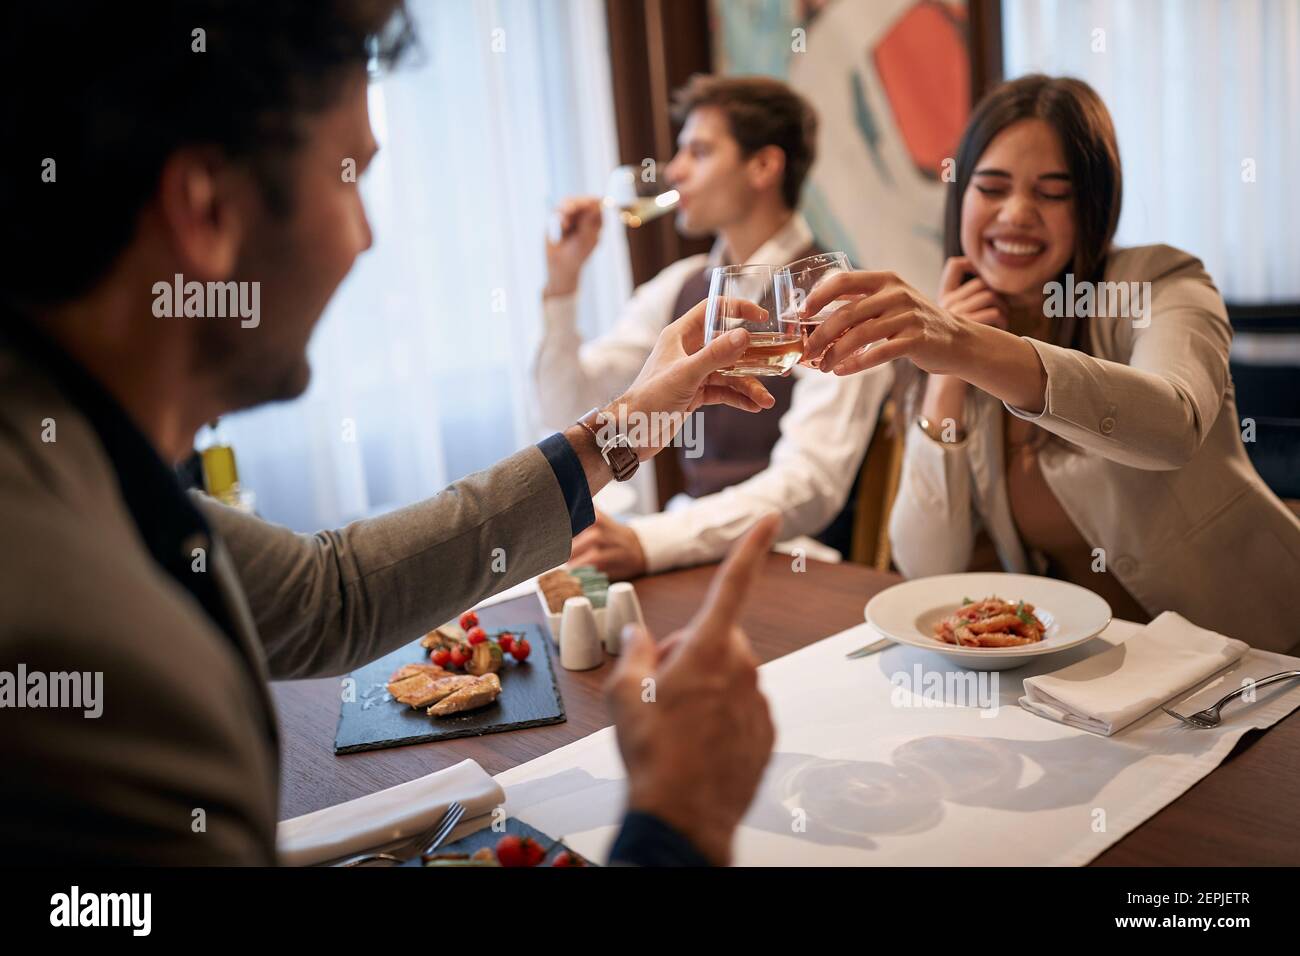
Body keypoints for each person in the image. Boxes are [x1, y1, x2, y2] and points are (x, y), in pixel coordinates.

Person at [0, 1, 775, 866]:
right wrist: (677, 820)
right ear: (205, 207)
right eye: (348, 178)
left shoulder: (76, 473)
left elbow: (334, 595)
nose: (365, 237)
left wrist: (631, 424)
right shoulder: (76, 632)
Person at [798, 74, 1300, 652]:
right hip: (1096, 677)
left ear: (1093, 206)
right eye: (991, 187)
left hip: (1259, 656)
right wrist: (946, 381)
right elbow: (926, 566)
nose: (1015, 214)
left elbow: (1174, 425)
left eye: (1052, 193)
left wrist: (966, 347)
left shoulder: (1159, 281)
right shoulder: (949, 334)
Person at [536, 74, 891, 579]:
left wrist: (649, 540)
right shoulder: (680, 287)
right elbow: (567, 404)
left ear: (764, 166)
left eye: (698, 153)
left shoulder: (834, 299)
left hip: (795, 569)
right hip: (689, 560)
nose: (675, 171)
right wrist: (563, 284)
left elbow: (811, 483)